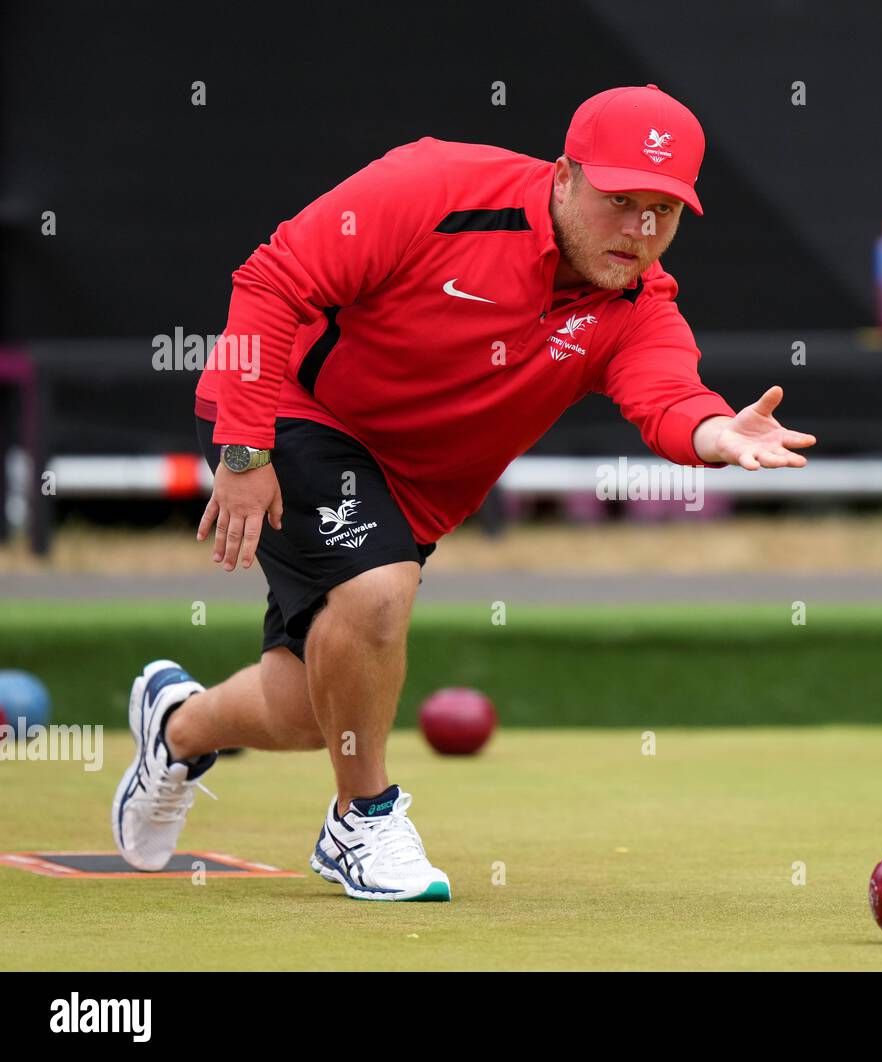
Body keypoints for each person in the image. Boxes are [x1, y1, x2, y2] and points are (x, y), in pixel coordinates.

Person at [111, 84, 816, 901]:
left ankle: (177, 727)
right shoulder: (434, 188)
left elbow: (666, 395)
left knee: (318, 708)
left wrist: (713, 433)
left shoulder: (635, 308)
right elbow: (271, 282)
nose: (640, 230)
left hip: (410, 492)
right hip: (290, 411)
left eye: (663, 210)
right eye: (619, 200)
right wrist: (243, 449)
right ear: (562, 177)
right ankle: (361, 821)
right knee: (377, 595)